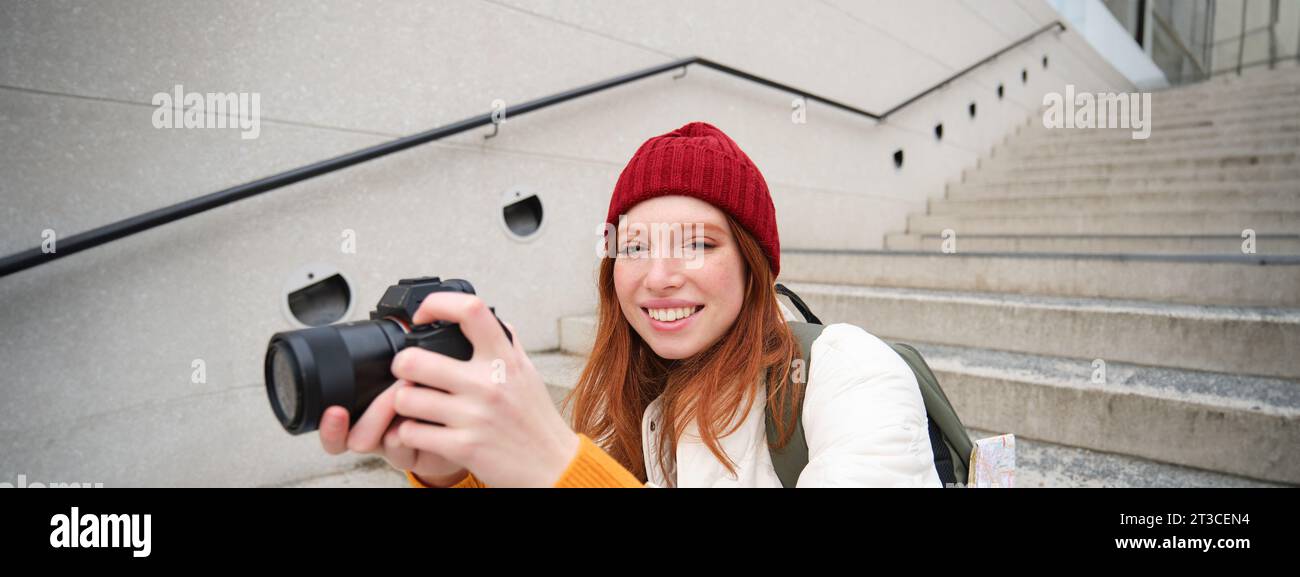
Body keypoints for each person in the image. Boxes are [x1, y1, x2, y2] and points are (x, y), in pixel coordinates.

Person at [318, 121, 942, 488]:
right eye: (634, 246)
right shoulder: (630, 402)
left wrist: (561, 465)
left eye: (698, 243)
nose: (658, 276)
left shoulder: (849, 369)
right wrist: (459, 475)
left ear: (755, 267)